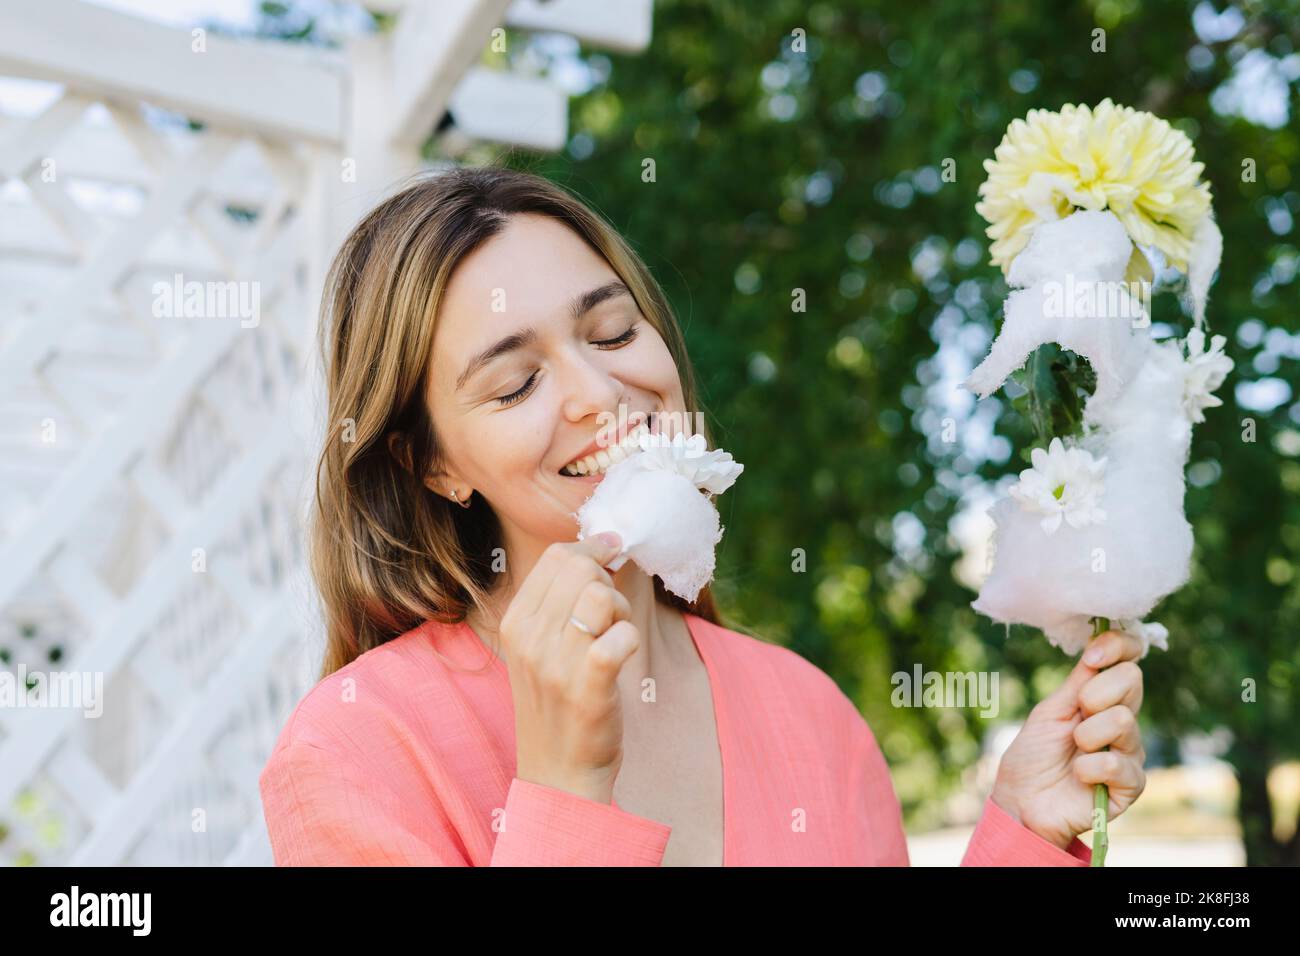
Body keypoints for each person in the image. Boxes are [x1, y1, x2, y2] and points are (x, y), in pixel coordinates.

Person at [259, 166, 1146, 865]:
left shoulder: (810, 714)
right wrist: (565, 793)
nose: (600, 391)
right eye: (516, 382)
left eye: (612, 333)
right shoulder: (354, 750)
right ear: (435, 466)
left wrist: (1024, 836)